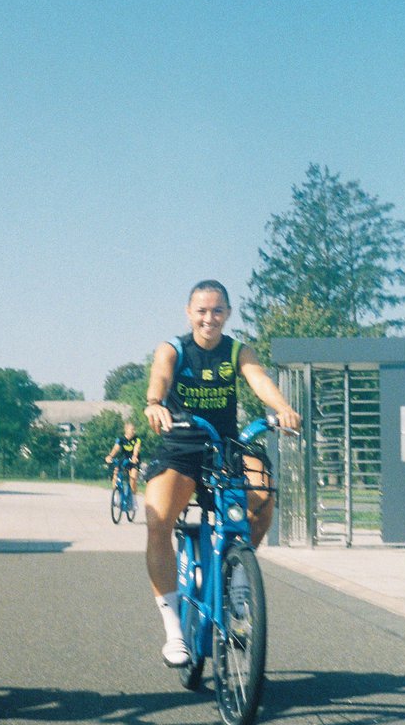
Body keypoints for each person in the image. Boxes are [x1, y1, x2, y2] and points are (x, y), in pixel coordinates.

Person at [143, 279, 301, 668]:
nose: (209, 318)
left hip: (225, 446)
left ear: (228, 313)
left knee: (263, 498)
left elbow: (259, 379)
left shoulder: (237, 351)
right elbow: (160, 377)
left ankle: (238, 575)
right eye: (201, 311)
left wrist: (283, 408)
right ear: (189, 313)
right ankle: (174, 629)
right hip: (181, 444)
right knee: (158, 521)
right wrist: (155, 403)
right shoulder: (174, 349)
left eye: (217, 311)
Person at [105, 420, 142, 504]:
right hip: (124, 459)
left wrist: (134, 456)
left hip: (134, 460)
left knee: (133, 478)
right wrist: (110, 456)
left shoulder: (137, 439)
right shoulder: (120, 439)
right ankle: (115, 495)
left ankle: (133, 499)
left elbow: (136, 448)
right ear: (126, 430)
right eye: (132, 429)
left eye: (134, 429)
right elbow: (116, 448)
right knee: (116, 474)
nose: (134, 431)